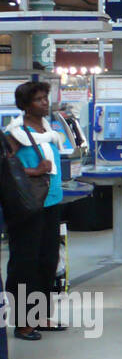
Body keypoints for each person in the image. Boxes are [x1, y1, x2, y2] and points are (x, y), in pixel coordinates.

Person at [4, 80, 66, 342]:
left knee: (47, 260)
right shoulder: (16, 133)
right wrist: (34, 171)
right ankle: (22, 322)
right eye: (39, 99)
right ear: (26, 105)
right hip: (28, 206)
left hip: (50, 202)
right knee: (25, 263)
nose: (45, 103)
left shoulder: (46, 129)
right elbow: (5, 168)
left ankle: (40, 315)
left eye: (45, 98)